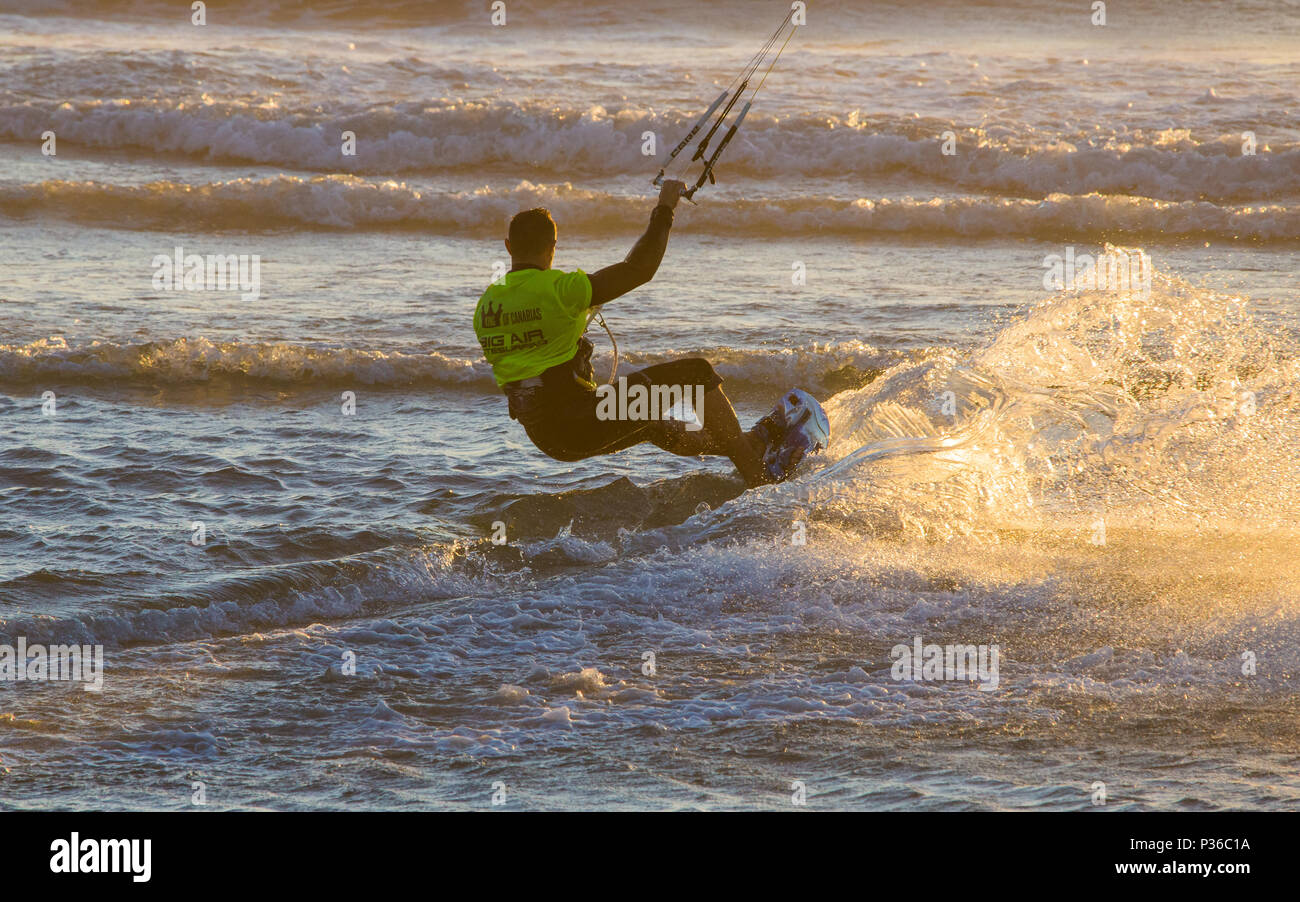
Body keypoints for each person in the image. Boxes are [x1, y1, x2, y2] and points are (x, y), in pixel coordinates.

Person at [472, 179, 775, 486]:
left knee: (653, 424)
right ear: (553, 246)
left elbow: (531, 348)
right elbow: (639, 268)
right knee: (697, 373)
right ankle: (758, 475)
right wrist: (665, 207)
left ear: (509, 246)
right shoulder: (562, 290)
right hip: (585, 421)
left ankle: (748, 445)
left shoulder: (485, 308)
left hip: (547, 438)